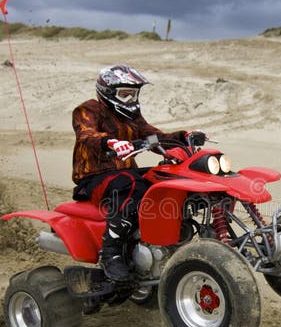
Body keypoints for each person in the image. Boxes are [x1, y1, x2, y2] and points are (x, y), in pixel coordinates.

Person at [72, 64, 203, 283]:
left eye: (133, 94)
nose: (130, 100)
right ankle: (110, 251)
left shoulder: (132, 117)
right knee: (132, 185)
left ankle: (167, 238)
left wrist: (184, 137)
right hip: (93, 176)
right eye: (124, 94)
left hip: (123, 173)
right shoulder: (88, 110)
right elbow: (87, 134)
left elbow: (154, 136)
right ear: (108, 93)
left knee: (165, 178)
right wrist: (110, 142)